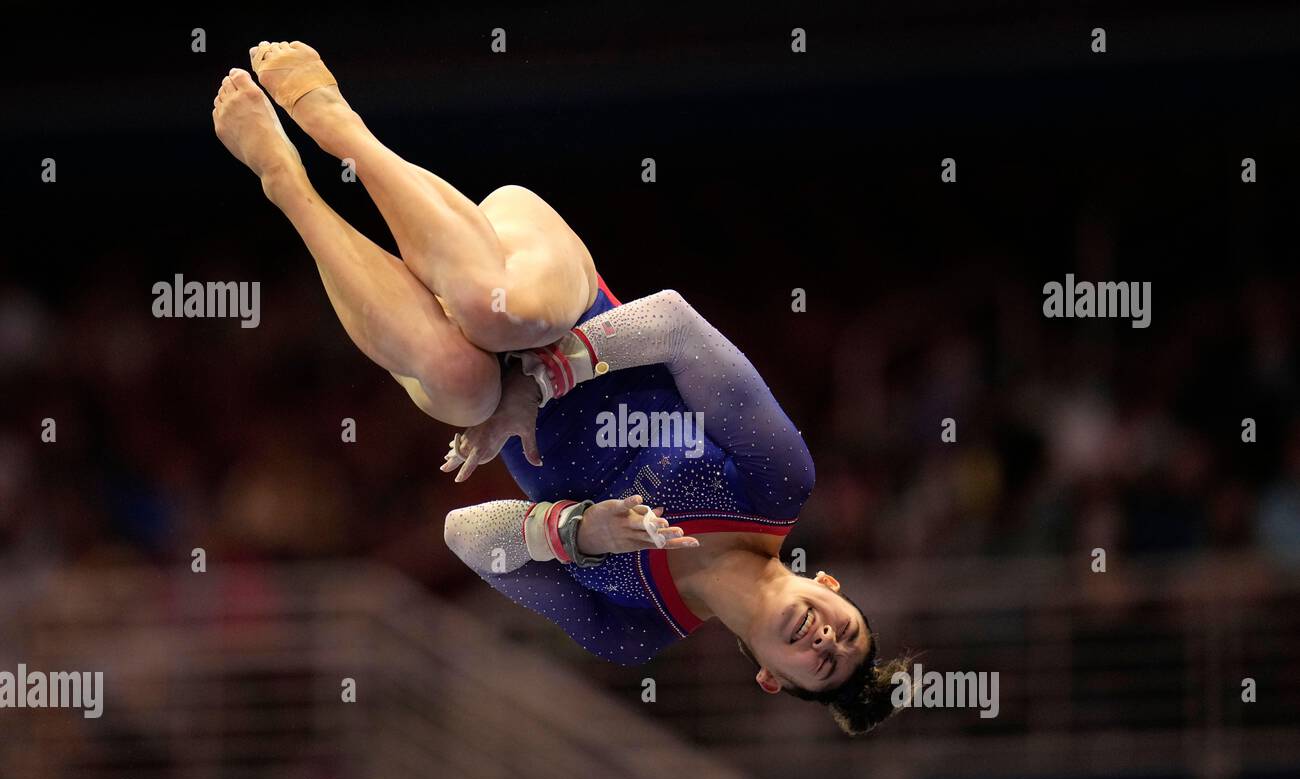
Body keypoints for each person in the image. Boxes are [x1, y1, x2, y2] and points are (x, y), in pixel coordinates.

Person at [212, 41, 910, 734]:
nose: (827, 641)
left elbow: (466, 535)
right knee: (499, 311)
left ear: (769, 677)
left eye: (823, 666)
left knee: (463, 387)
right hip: (550, 287)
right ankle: (335, 123)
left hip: (482, 371)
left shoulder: (632, 630)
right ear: (830, 587)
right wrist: (545, 379)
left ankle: (286, 183)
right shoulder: (778, 485)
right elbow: (670, 320)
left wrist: (576, 532)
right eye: (847, 634)